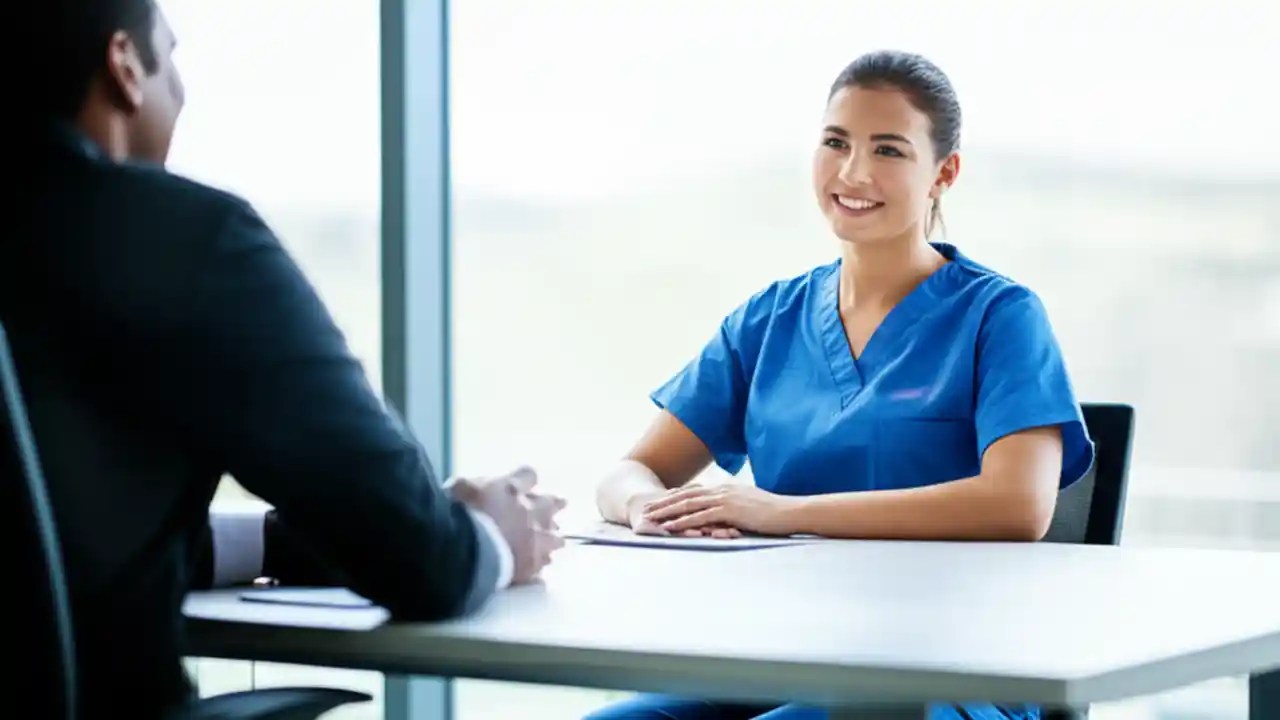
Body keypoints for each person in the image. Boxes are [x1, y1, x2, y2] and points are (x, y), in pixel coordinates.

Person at [8, 1, 565, 717]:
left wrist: (271, 546)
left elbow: (48, 534)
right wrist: (496, 536)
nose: (183, 87)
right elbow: (428, 565)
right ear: (124, 68)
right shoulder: (186, 243)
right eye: (170, 57)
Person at [588, 50, 1094, 720]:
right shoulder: (771, 318)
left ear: (944, 173)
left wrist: (779, 512)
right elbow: (630, 471)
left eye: (888, 150)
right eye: (836, 142)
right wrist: (644, 508)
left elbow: (1019, 506)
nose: (854, 172)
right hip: (778, 655)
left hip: (949, 670)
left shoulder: (1000, 317)